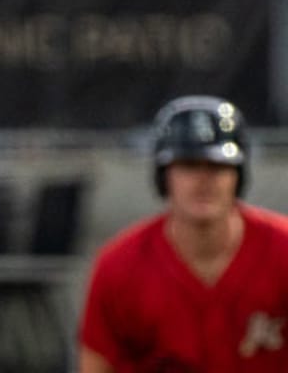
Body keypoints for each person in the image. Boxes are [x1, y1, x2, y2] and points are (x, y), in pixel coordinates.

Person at [78, 95, 288, 372]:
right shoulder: (120, 266)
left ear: (238, 174)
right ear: (164, 175)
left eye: (217, 166)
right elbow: (95, 365)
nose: (203, 179)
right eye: (189, 165)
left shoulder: (281, 250)